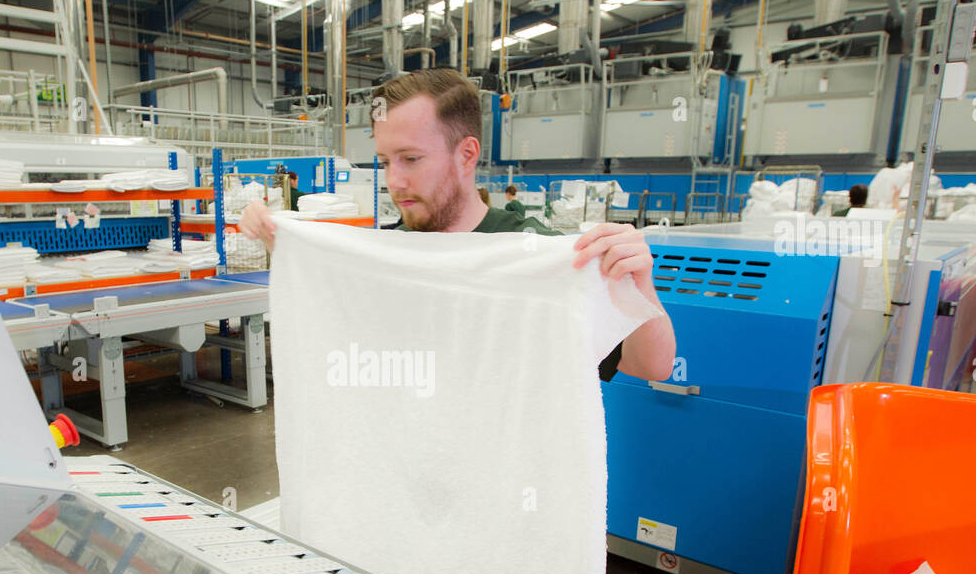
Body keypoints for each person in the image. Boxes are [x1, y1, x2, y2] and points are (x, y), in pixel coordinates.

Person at [240, 67, 675, 382]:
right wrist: (287, 244)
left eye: (411, 159)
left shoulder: (532, 254)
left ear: (466, 155)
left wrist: (639, 283)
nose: (394, 180)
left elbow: (649, 366)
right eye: (386, 161)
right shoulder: (386, 254)